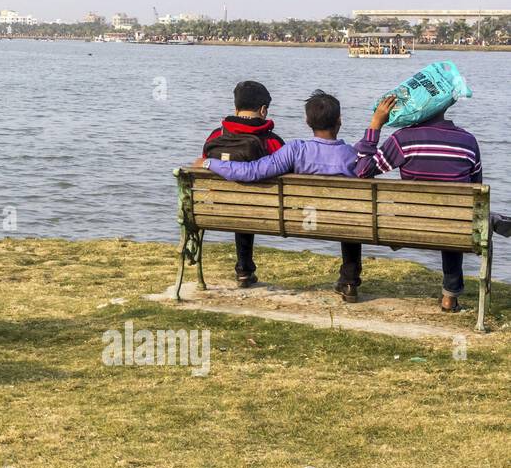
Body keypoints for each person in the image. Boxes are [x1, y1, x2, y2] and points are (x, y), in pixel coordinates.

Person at [194, 90, 364, 302]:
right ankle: (349, 281)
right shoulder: (354, 157)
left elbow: (251, 172)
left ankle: (244, 268)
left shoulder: (295, 150)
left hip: (297, 221)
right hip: (340, 222)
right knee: (351, 214)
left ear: (307, 121)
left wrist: (210, 162)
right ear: (339, 121)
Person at [353, 93, 485, 313]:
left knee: (442, 214)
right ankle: (450, 297)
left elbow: (362, 171)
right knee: (455, 213)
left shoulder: (403, 139)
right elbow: (476, 189)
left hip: (408, 227)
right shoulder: (468, 141)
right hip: (455, 230)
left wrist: (376, 123)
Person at [201, 80, 285, 288]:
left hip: (212, 210)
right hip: (264, 211)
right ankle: (244, 269)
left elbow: (203, 161)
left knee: (240, 203)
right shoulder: (272, 142)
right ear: (263, 110)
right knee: (248, 203)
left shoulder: (215, 136)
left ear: (236, 108)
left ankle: (244, 269)